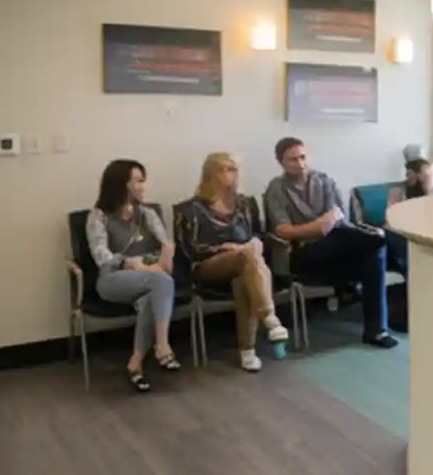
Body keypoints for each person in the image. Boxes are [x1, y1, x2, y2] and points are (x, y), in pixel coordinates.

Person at [263, 137, 398, 349]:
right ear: (281, 162)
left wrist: (322, 225)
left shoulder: (323, 180)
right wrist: (319, 227)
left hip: (335, 247)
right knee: (371, 241)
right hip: (303, 254)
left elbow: (337, 217)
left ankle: (376, 331)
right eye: (292, 160)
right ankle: (383, 238)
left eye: (303, 157)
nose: (300, 164)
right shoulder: (276, 189)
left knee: (373, 254)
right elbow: (283, 230)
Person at [176, 153, 289, 372]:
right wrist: (223, 249)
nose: (231, 175)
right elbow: (188, 249)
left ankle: (247, 351)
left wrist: (253, 243)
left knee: (244, 277)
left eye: (234, 169)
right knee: (248, 257)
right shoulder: (189, 209)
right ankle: (270, 318)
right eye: (224, 169)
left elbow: (259, 233)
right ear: (210, 174)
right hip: (207, 266)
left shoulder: (245, 204)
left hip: (246, 264)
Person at [86, 159, 180, 392]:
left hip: (150, 275)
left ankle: (135, 363)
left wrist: (165, 255)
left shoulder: (148, 214)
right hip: (112, 280)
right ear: (122, 185)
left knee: (154, 292)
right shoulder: (98, 216)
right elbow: (102, 258)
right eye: (138, 181)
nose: (142, 186)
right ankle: (162, 345)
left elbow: (164, 245)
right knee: (161, 281)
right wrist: (131, 263)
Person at [384, 157, 433, 278]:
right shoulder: (396, 192)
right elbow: (392, 219)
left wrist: (427, 190)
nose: (409, 176)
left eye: (426, 175)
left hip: (421, 235)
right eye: (408, 173)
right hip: (399, 233)